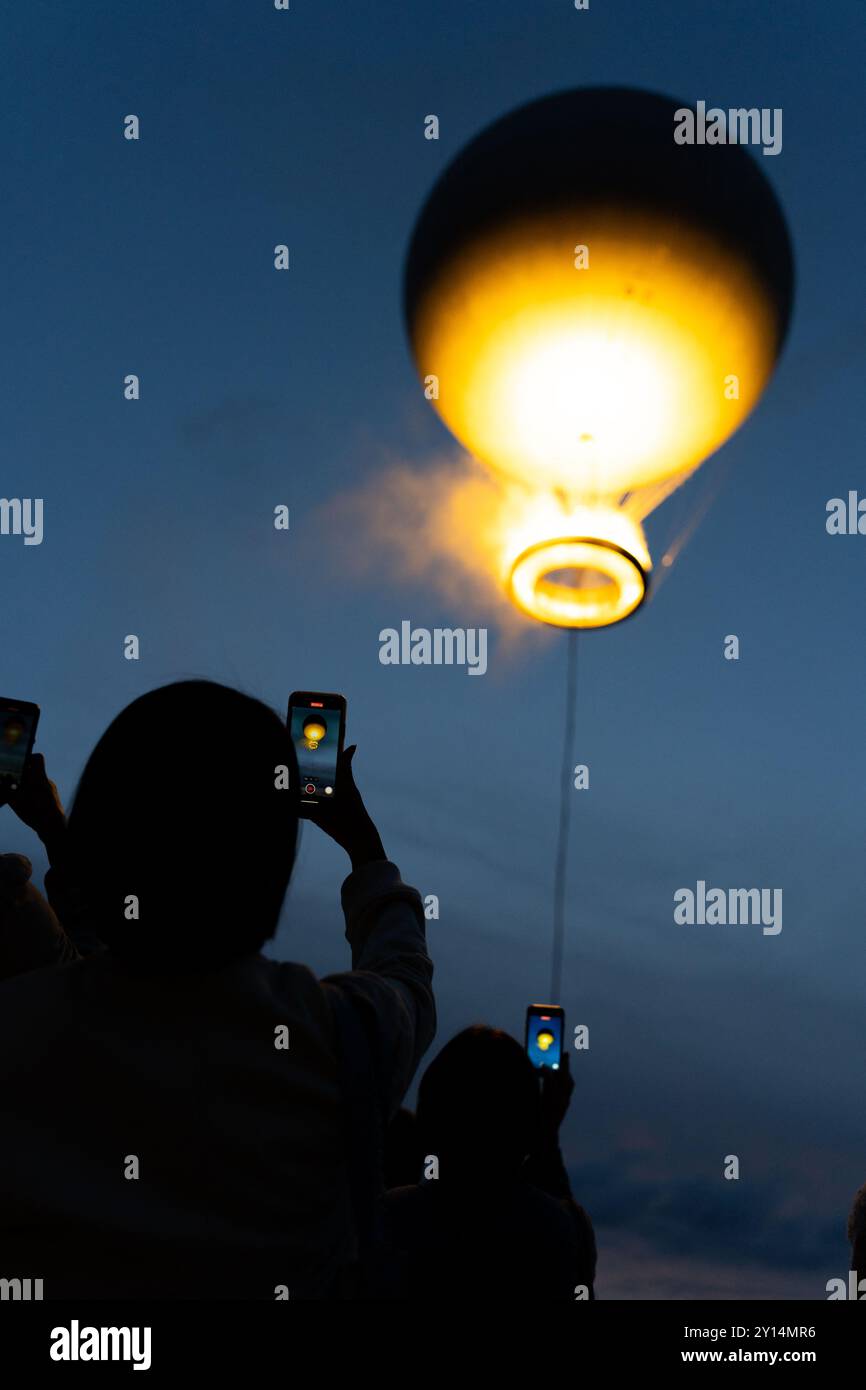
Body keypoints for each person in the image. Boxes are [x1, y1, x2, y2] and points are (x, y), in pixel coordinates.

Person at [0, 680, 435, 1298]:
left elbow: (111, 947)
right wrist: (362, 844)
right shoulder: (341, 1039)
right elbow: (405, 978)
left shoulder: (21, 1024)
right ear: (272, 865)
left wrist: (60, 839)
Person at [373, 1025, 596, 1299]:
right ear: (526, 1129)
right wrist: (546, 1136)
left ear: (428, 1121)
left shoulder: (385, 1222)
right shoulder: (562, 1233)